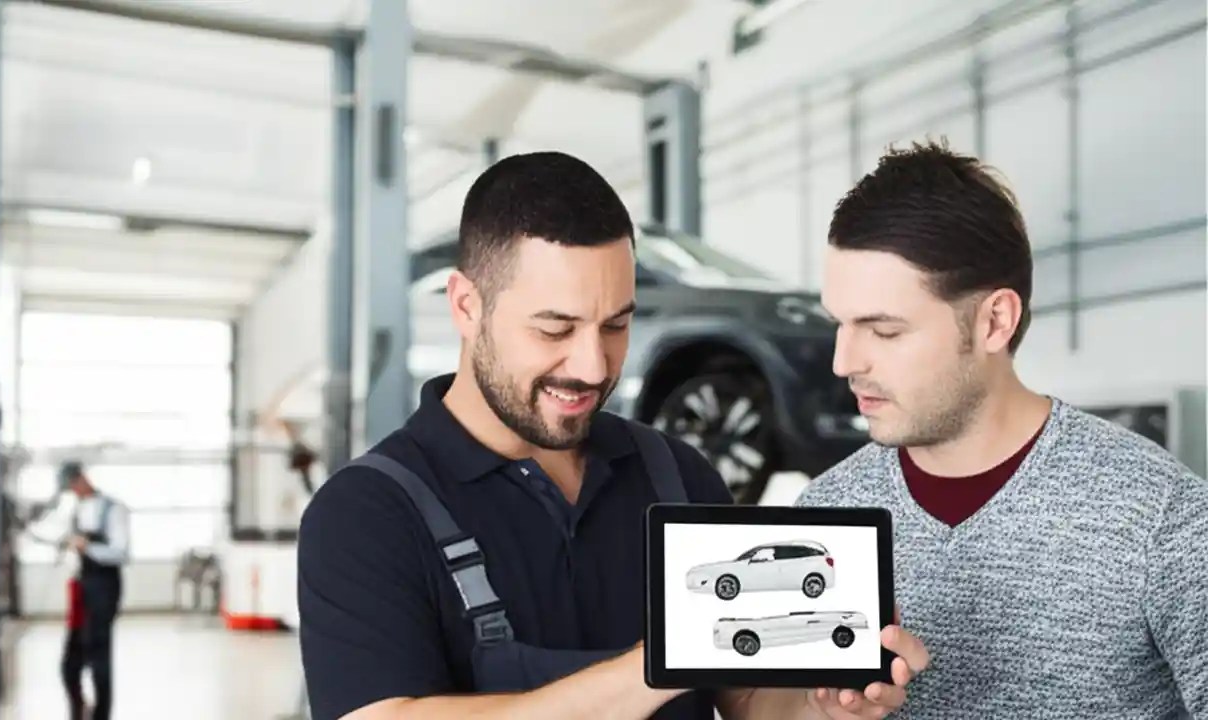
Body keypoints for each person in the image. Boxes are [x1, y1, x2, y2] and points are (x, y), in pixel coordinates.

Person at [297, 151, 929, 720]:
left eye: (615, 325)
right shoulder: (366, 514)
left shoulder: (678, 476)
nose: (593, 367)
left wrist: (820, 708)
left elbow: (746, 700)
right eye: (554, 329)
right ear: (467, 305)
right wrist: (657, 664)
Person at [797, 139, 1208, 718]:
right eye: (840, 324)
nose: (844, 362)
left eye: (883, 331)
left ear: (995, 321)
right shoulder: (821, 517)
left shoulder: (1161, 517)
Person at [55, 461, 130, 720]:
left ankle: (101, 715)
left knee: (99, 657)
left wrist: (88, 548)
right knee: (69, 663)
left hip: (104, 587)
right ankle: (78, 711)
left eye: (73, 485)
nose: (73, 492)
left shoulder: (114, 509)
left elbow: (121, 553)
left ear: (82, 479)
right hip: (81, 587)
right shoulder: (77, 510)